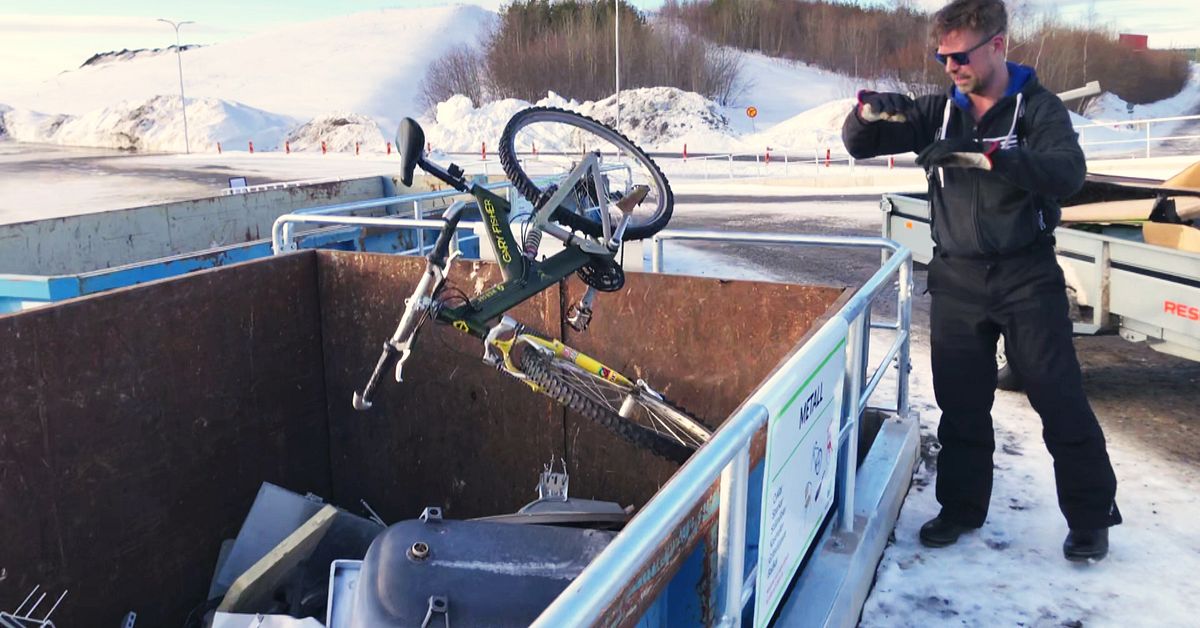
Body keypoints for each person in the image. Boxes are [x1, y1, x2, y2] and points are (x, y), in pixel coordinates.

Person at [841, 0, 1121, 562]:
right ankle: (961, 509)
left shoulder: (1036, 109)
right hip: (958, 279)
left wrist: (991, 156)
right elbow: (858, 145)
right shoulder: (940, 111)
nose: (951, 67)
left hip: (1026, 277)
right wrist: (867, 115)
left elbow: (1068, 173)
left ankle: (1091, 518)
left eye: (960, 56)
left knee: (1058, 398)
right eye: (942, 58)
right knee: (962, 404)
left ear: (997, 45)